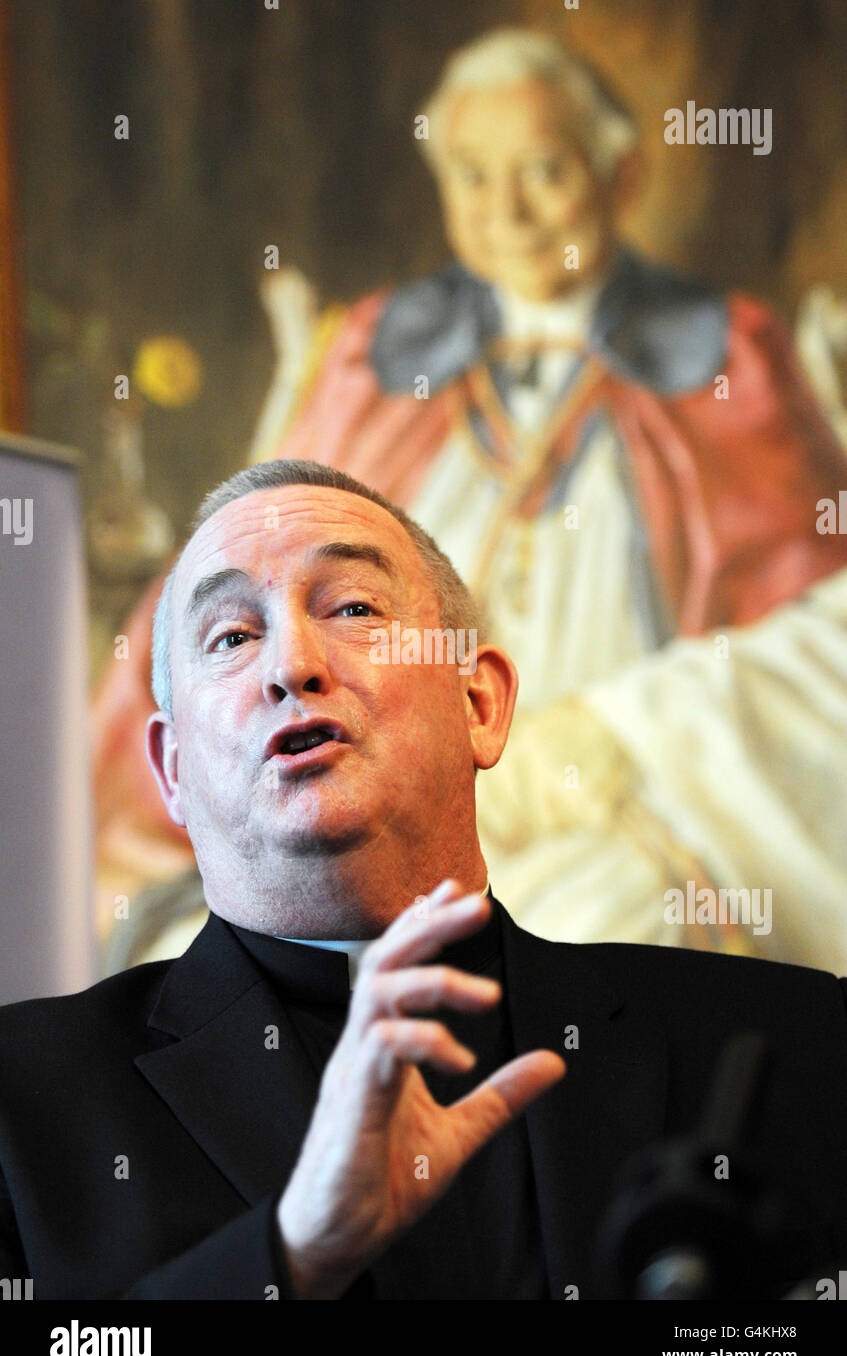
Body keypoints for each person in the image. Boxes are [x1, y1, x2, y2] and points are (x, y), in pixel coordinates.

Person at [91, 28, 847, 970]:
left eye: (544, 172)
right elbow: (246, 561)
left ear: (622, 180)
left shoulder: (727, 356)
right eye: (473, 177)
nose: (509, 213)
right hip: (370, 808)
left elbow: (811, 644)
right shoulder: (376, 353)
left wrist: (615, 742)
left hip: (613, 808)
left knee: (596, 930)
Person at [1, 458, 846, 1301]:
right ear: (172, 768)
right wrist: (289, 1255)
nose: (292, 665)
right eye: (231, 636)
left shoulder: (790, 1044)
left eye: (354, 608)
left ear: (479, 705)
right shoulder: (26, 1101)